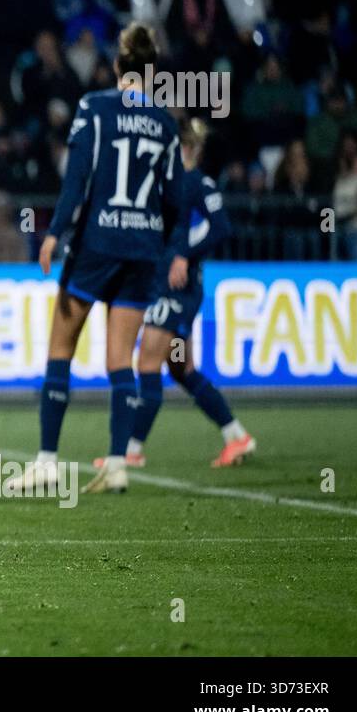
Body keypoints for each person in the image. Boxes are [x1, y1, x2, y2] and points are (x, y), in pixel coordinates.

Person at [13, 23, 182, 495]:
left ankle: (47, 461)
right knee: (119, 360)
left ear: (116, 67)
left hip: (98, 243)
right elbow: (175, 200)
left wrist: (55, 233)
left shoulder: (96, 107)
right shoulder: (166, 124)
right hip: (142, 250)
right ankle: (117, 462)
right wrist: (165, 249)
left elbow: (77, 180)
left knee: (61, 347)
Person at [111, 118, 255, 469]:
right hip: (168, 289)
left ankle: (131, 451)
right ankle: (236, 436)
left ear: (186, 149)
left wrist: (184, 257)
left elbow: (221, 227)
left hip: (175, 293)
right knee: (181, 368)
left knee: (147, 364)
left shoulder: (195, 183)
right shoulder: (170, 183)